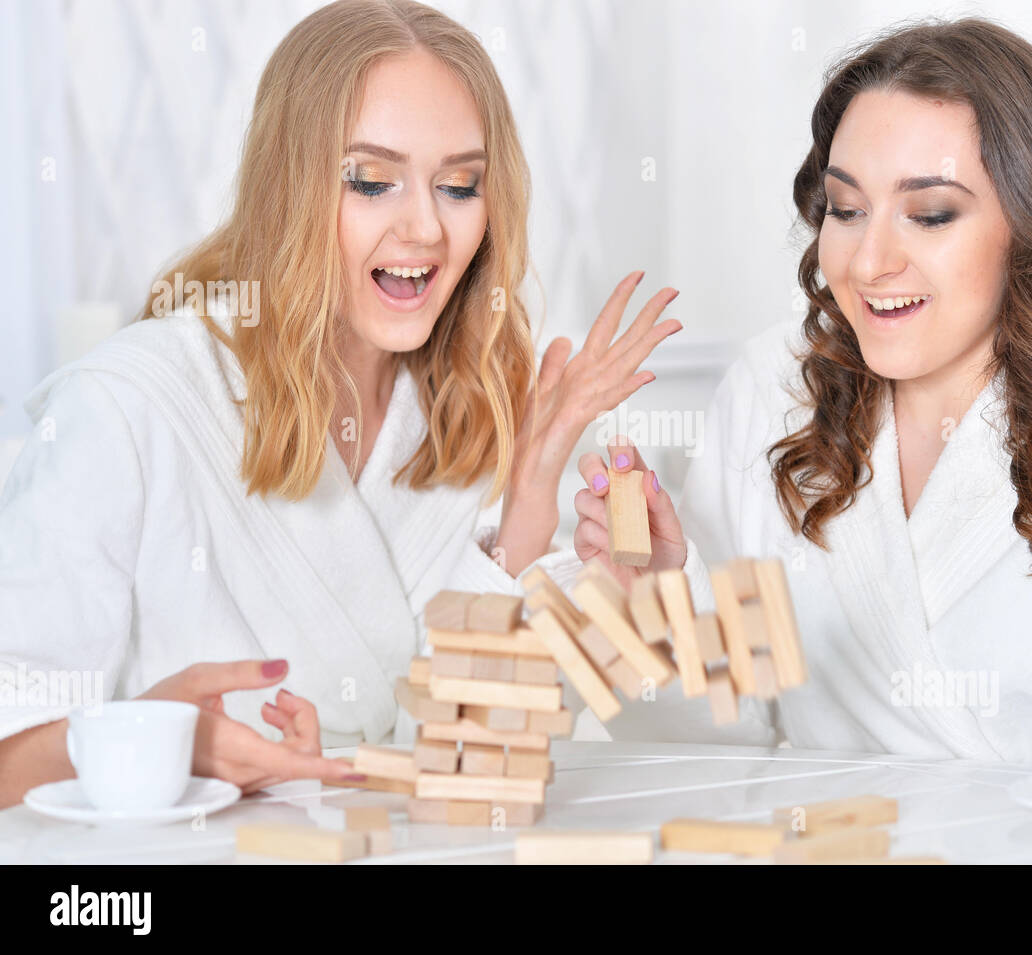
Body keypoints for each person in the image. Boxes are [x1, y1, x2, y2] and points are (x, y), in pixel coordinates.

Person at [571, 18, 1032, 782]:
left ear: (1029, 225)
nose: (870, 261)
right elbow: (718, 752)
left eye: (930, 214)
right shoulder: (773, 393)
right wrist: (655, 606)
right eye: (846, 210)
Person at [0, 0, 679, 807]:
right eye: (371, 181)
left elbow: (472, 759)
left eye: (460, 185)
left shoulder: (471, 410)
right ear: (289, 186)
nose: (424, 225)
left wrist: (535, 506)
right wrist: (162, 737)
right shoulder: (125, 409)